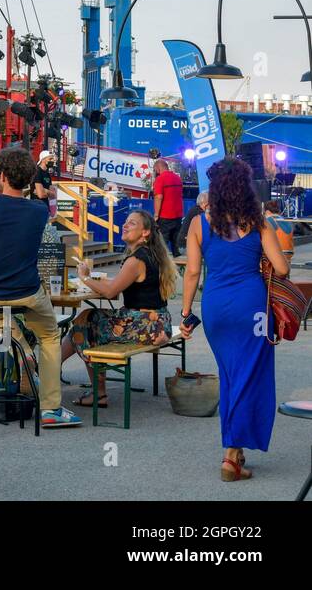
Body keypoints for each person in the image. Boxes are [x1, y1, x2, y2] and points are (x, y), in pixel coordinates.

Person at [0, 147, 82, 429]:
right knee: (49, 336)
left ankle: (25, 358)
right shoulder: (38, 212)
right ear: (28, 179)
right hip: (27, 291)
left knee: (6, 331)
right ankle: (50, 407)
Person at [181, 156, 289, 481]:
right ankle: (230, 455)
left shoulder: (200, 224)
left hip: (215, 309)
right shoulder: (258, 224)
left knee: (230, 375)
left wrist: (186, 314)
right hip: (251, 308)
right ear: (246, 189)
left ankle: (236, 451)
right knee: (249, 376)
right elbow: (282, 269)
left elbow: (193, 272)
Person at [61, 210, 177, 408]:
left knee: (83, 326)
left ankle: (50, 373)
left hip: (144, 325)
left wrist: (84, 277)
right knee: (86, 319)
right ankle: (50, 371)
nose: (125, 225)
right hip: (155, 321)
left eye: (132, 223)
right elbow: (119, 284)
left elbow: (111, 292)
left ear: (145, 232)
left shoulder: (136, 260)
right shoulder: (148, 254)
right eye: (125, 222)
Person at [152, 159, 185, 256]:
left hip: (165, 216)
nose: (155, 172)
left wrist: (156, 215)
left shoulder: (160, 179)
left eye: (155, 170)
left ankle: (162, 268)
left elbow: (159, 197)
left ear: (158, 168)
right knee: (176, 245)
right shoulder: (177, 178)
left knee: (162, 244)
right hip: (178, 215)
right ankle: (178, 268)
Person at [177, 190, 208, 255]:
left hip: (186, 245)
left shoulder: (195, 209)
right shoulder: (198, 212)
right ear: (204, 203)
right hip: (185, 246)